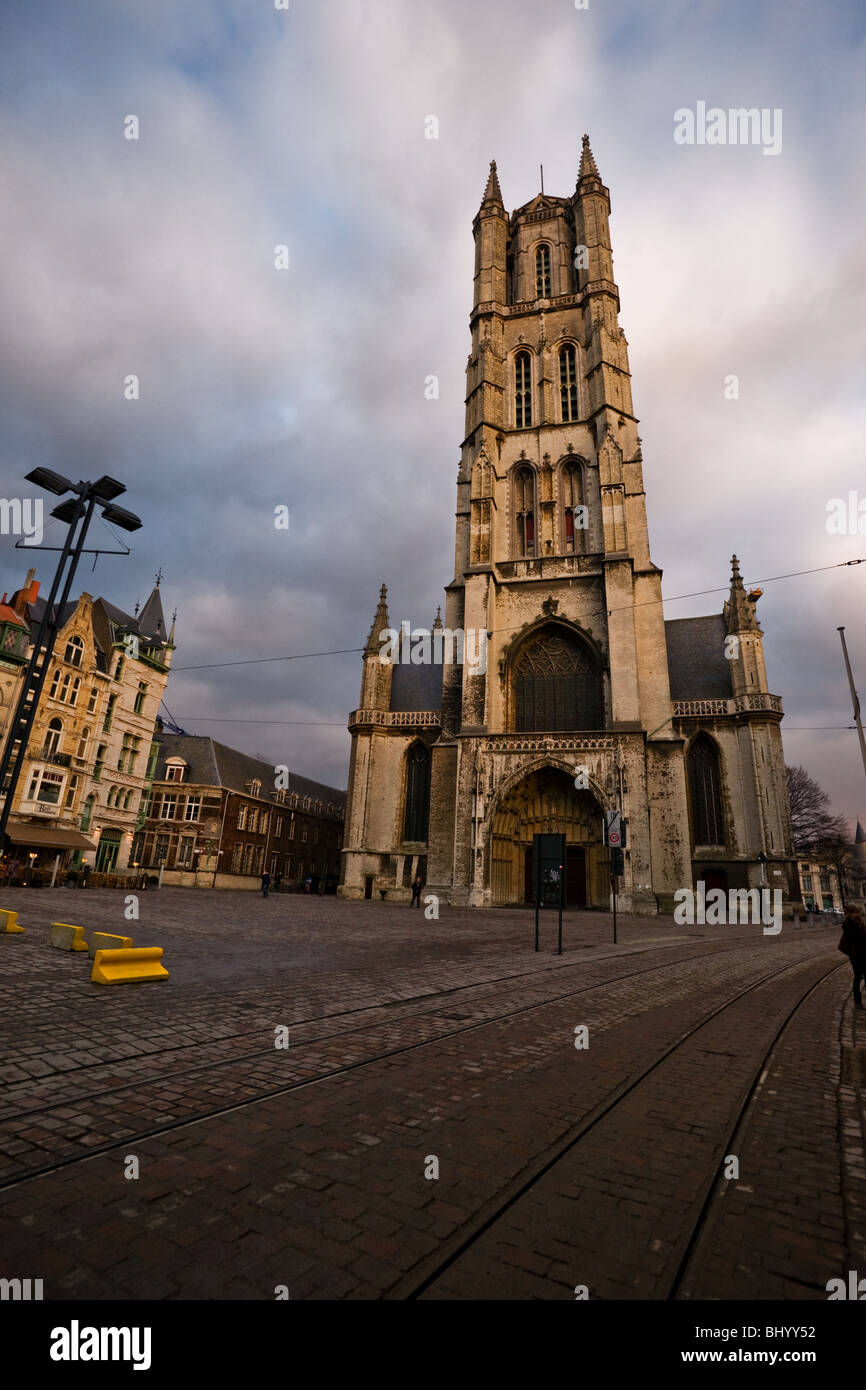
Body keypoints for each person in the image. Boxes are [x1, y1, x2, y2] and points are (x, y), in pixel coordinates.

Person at [840, 905, 866, 1009]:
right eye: (856, 912)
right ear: (851, 913)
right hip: (856, 955)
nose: (858, 914)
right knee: (858, 977)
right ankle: (857, 1001)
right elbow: (854, 938)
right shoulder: (848, 924)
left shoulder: (860, 921)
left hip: (864, 952)